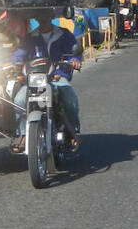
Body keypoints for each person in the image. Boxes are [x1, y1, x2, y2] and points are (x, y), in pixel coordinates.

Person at [10, 11, 83, 150]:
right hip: (34, 79)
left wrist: (75, 60)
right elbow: (19, 55)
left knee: (70, 98)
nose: (43, 21)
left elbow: (74, 51)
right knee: (19, 100)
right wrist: (13, 63)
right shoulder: (30, 38)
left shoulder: (64, 34)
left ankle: (73, 131)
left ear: (51, 18)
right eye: (41, 18)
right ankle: (24, 135)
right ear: (37, 19)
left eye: (46, 18)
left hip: (57, 76)